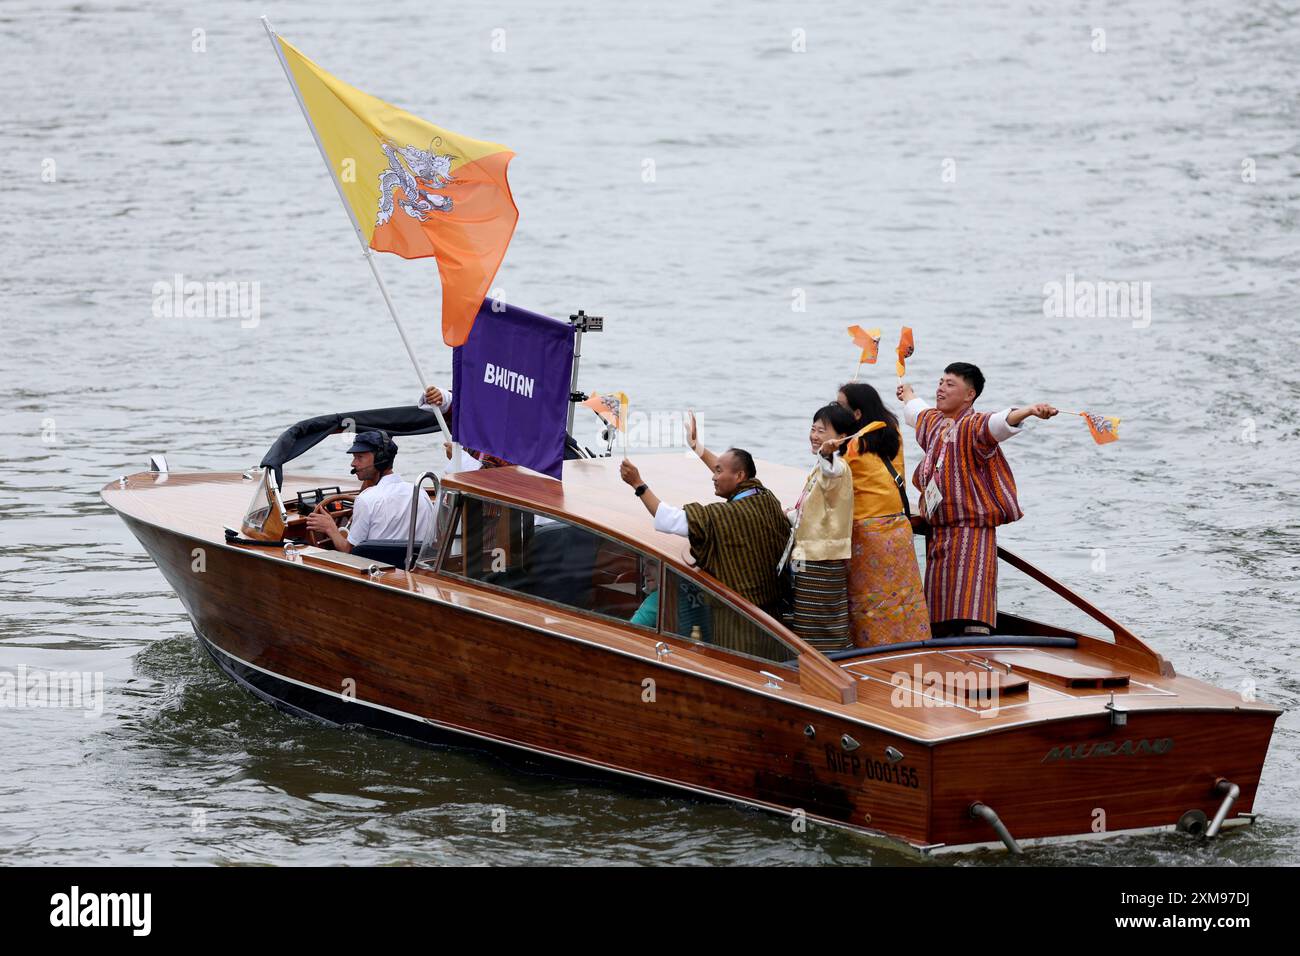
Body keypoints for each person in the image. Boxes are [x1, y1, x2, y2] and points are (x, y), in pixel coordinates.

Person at [897, 362, 1058, 636]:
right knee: (938, 617)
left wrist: (1030, 410)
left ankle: (976, 662)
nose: (941, 388)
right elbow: (916, 410)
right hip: (939, 534)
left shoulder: (974, 426)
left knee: (971, 617)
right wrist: (908, 393)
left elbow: (1000, 423)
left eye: (950, 384)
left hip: (971, 536)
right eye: (940, 382)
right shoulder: (935, 422)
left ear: (969, 395)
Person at [619, 419, 789, 624]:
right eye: (715, 470)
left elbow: (669, 519)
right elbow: (729, 471)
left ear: (739, 476)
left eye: (718, 472)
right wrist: (697, 448)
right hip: (773, 615)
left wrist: (638, 484)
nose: (713, 477)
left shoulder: (723, 516)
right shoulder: (765, 496)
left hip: (743, 623)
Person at [835, 383, 931, 645]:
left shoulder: (852, 447)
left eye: (839, 407)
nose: (835, 411)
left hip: (868, 534)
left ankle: (873, 652)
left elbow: (834, 482)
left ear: (856, 414)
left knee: (869, 602)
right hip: (899, 528)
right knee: (903, 598)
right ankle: (912, 646)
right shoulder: (893, 433)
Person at [785, 404, 856, 652]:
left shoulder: (838, 467)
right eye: (813, 429)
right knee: (806, 620)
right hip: (808, 554)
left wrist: (827, 455)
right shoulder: (820, 467)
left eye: (822, 431)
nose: (814, 436)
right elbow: (814, 510)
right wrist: (790, 515)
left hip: (822, 558)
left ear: (841, 437)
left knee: (823, 622)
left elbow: (831, 471)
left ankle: (832, 666)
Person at [305, 430, 434, 552]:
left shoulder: (366, 500)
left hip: (374, 571)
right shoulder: (420, 493)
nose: (353, 464)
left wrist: (330, 528)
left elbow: (348, 551)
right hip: (412, 569)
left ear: (380, 459)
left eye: (359, 457)